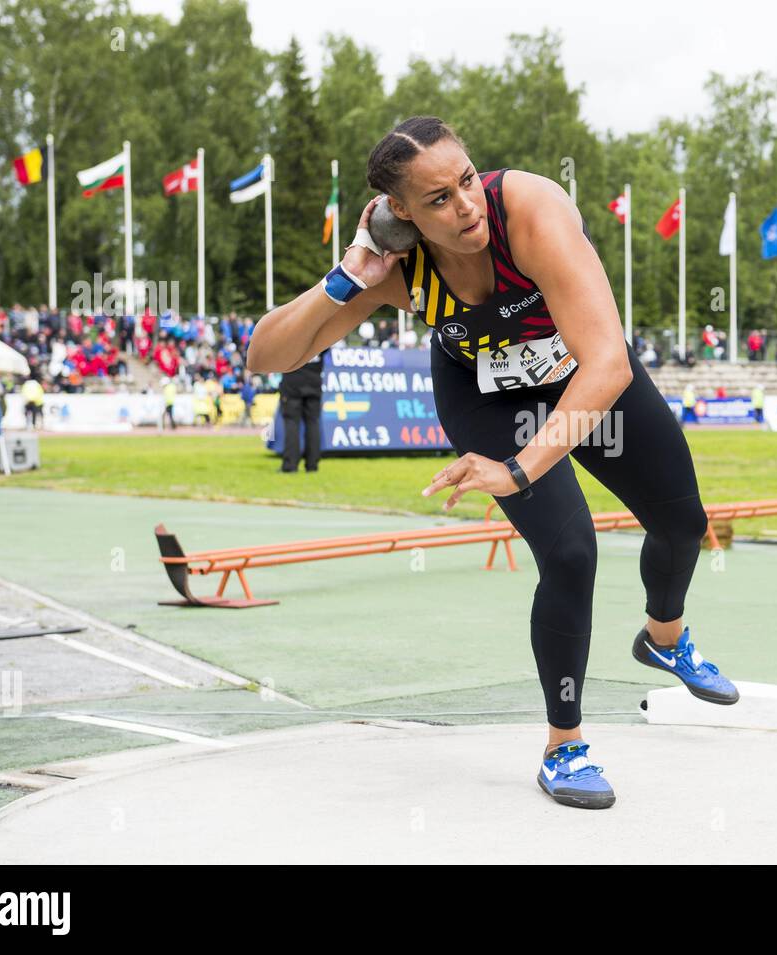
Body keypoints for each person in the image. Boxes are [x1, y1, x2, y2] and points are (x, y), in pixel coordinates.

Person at [243, 116, 738, 810]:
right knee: (569, 553)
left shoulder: (532, 211)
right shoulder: (398, 269)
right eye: (439, 199)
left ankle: (664, 636)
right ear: (402, 215)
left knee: (683, 523)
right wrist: (348, 276)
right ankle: (564, 747)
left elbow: (607, 362)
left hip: (582, 374)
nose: (466, 206)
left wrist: (523, 468)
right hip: (488, 399)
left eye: (467, 180)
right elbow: (266, 356)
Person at [278, 346, 324, 473]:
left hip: (293, 383)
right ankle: (312, 464)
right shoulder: (320, 334)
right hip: (314, 382)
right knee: (313, 423)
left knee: (292, 423)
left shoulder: (292, 331)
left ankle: (290, 465)